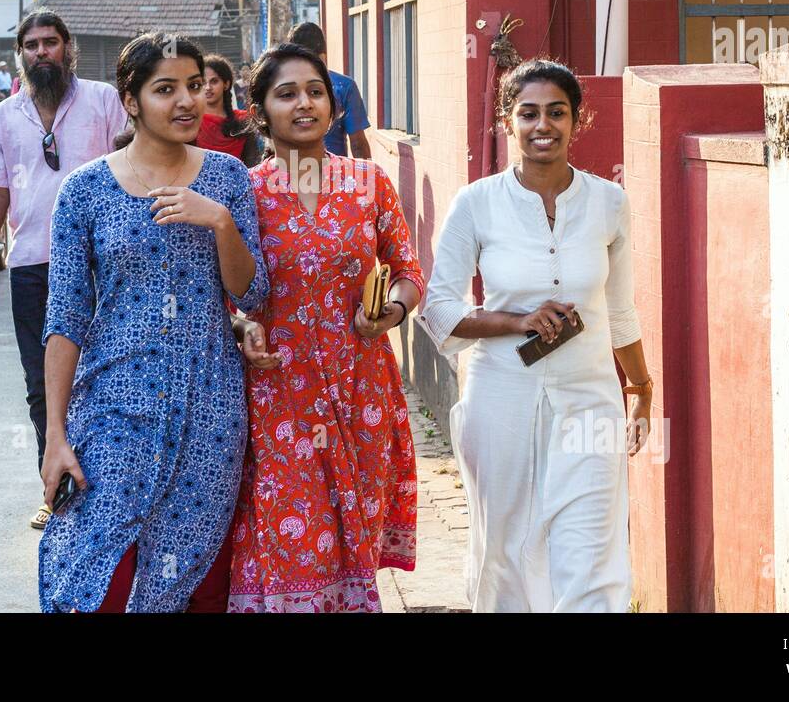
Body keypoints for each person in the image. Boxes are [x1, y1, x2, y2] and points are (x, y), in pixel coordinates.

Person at [37, 33, 268, 613]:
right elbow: (64, 319)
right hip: (113, 407)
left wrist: (219, 223)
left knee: (195, 571)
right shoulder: (84, 192)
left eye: (195, 85)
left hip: (209, 409)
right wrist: (56, 436)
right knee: (95, 568)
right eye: (165, 89)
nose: (187, 101)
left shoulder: (227, 180)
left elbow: (253, 291)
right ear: (132, 101)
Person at [417, 59, 653, 613]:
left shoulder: (608, 203)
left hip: (590, 400)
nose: (542, 125)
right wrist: (516, 321)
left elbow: (619, 310)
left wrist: (640, 387)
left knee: (593, 553)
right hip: (502, 400)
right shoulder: (476, 204)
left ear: (577, 121)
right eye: (528, 113)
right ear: (508, 120)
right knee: (504, 554)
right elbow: (438, 310)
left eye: (557, 112)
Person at [229, 42, 424, 612]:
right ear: (260, 110)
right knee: (293, 538)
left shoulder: (369, 184)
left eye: (316, 92)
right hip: (279, 391)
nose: (305, 104)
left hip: (361, 388)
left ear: (334, 107)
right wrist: (243, 328)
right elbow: (225, 294)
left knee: (350, 542)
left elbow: (409, 273)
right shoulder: (245, 191)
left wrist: (390, 311)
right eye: (286, 94)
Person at [0, 8, 128, 532]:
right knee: (42, 385)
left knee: (104, 375)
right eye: (32, 45)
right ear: (21, 54)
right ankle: (55, 489)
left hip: (101, 262)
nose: (42, 53)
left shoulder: (104, 101)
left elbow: (136, 159)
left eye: (51, 43)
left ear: (68, 48)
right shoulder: (4, 117)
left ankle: (112, 485)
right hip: (33, 265)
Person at [286, 21, 371, 159]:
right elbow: (358, 144)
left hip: (292, 171)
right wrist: (366, 178)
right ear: (323, 53)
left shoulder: (283, 89)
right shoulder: (344, 86)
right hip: (334, 174)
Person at [197, 53, 262, 166]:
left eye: (214, 81)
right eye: (203, 82)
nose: (208, 87)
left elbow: (252, 165)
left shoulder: (243, 121)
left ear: (226, 84)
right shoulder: (192, 122)